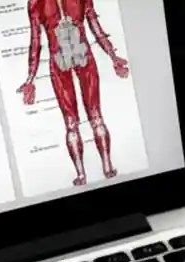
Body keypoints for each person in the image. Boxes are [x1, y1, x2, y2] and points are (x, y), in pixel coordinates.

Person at [18, 0, 130, 187]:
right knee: (95, 117)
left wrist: (31, 78)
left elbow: (35, 41)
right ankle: (106, 168)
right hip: (80, 50)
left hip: (59, 55)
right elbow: (94, 25)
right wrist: (112, 56)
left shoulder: (35, 3)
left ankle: (83, 174)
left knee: (73, 124)